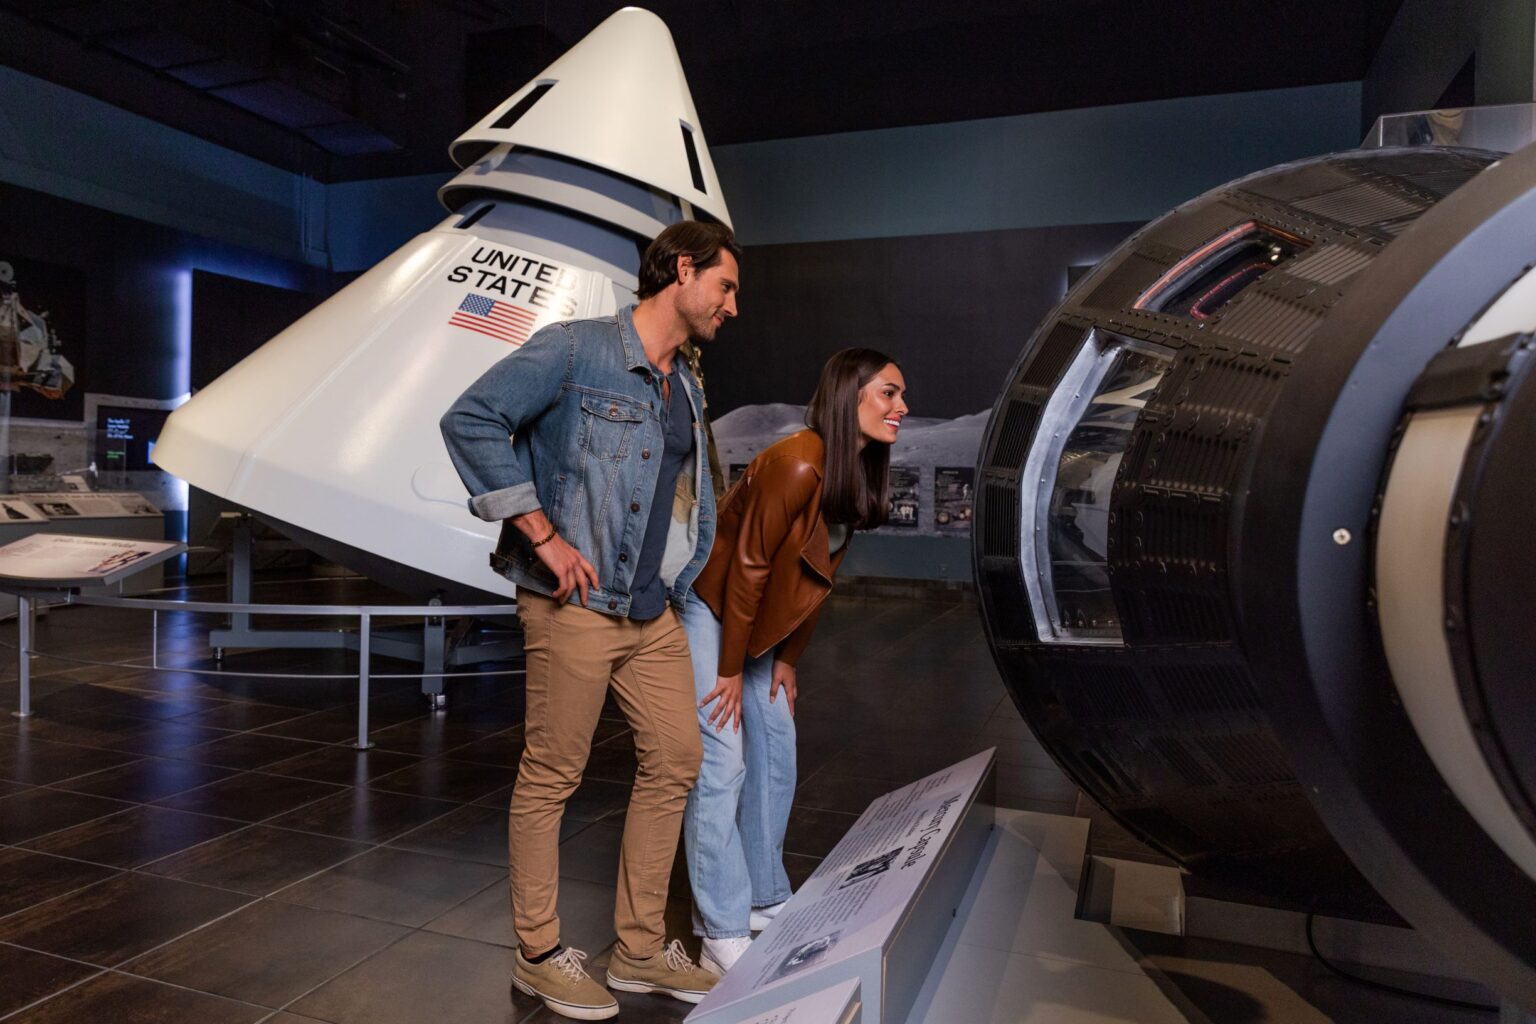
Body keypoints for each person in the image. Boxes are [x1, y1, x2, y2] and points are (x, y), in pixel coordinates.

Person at [440, 220, 740, 1020]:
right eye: (726, 286)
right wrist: (540, 533)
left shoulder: (685, 381)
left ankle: (639, 950)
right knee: (553, 775)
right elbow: (470, 420)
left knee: (678, 759)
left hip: (650, 610)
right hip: (573, 605)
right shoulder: (575, 350)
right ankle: (539, 953)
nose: (732, 305)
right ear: (682, 270)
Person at [683, 348, 908, 974]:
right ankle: (719, 929)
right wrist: (730, 669)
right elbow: (748, 571)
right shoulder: (799, 464)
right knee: (723, 761)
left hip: (758, 626)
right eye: (889, 394)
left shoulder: (852, 471)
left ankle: (762, 895)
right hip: (713, 606)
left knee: (777, 748)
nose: (901, 408)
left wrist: (787, 661)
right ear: (851, 396)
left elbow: (814, 577)